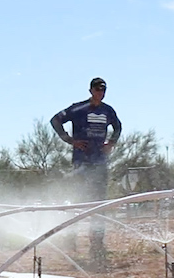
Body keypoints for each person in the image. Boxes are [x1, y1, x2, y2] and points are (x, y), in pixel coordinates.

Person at [50, 77, 122, 265]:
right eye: (97, 89)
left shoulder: (108, 110)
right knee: (77, 201)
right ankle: (69, 240)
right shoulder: (78, 109)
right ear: (90, 90)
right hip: (81, 163)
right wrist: (69, 139)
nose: (100, 93)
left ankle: (97, 245)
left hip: (100, 163)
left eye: (103, 90)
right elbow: (55, 120)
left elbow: (118, 126)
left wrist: (111, 143)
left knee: (99, 204)